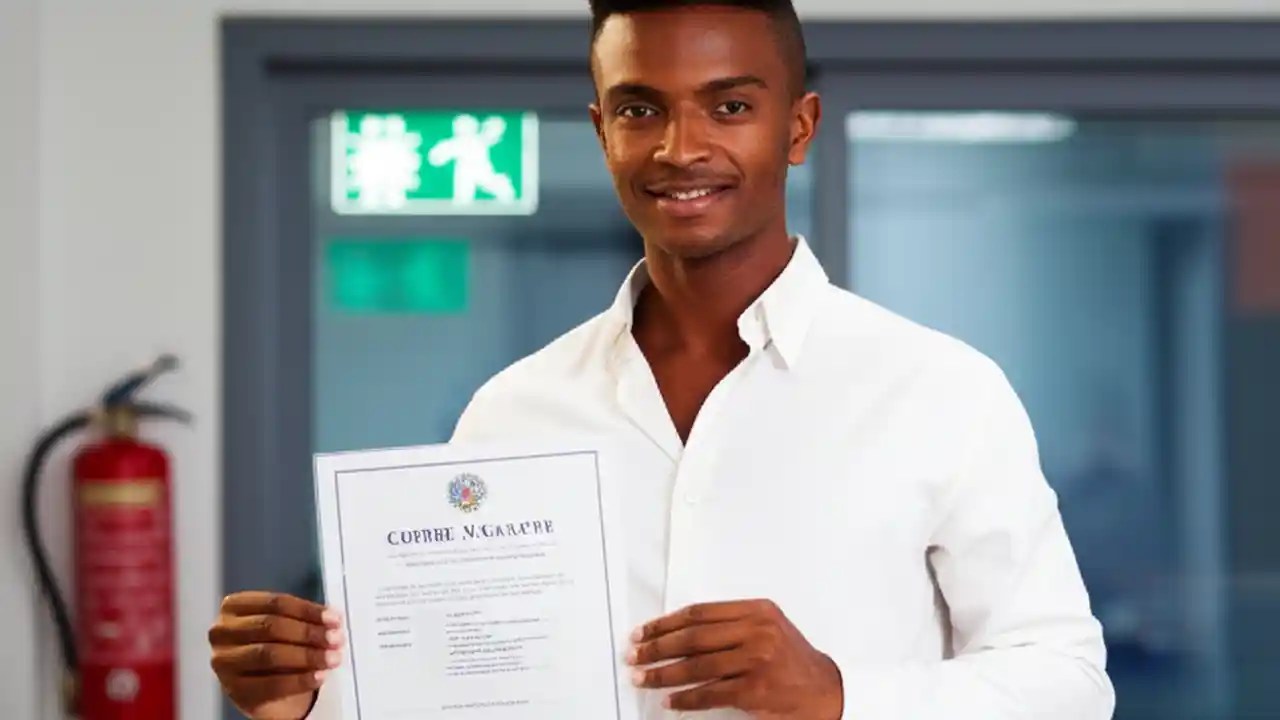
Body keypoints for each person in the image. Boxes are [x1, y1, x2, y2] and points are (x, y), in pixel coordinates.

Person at [209, 1, 1116, 718]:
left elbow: (1067, 685)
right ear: (602, 129)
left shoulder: (940, 392)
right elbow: (471, 693)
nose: (682, 148)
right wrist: (308, 705)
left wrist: (837, 697)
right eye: (642, 109)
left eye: (730, 105)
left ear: (798, 128)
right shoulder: (513, 411)